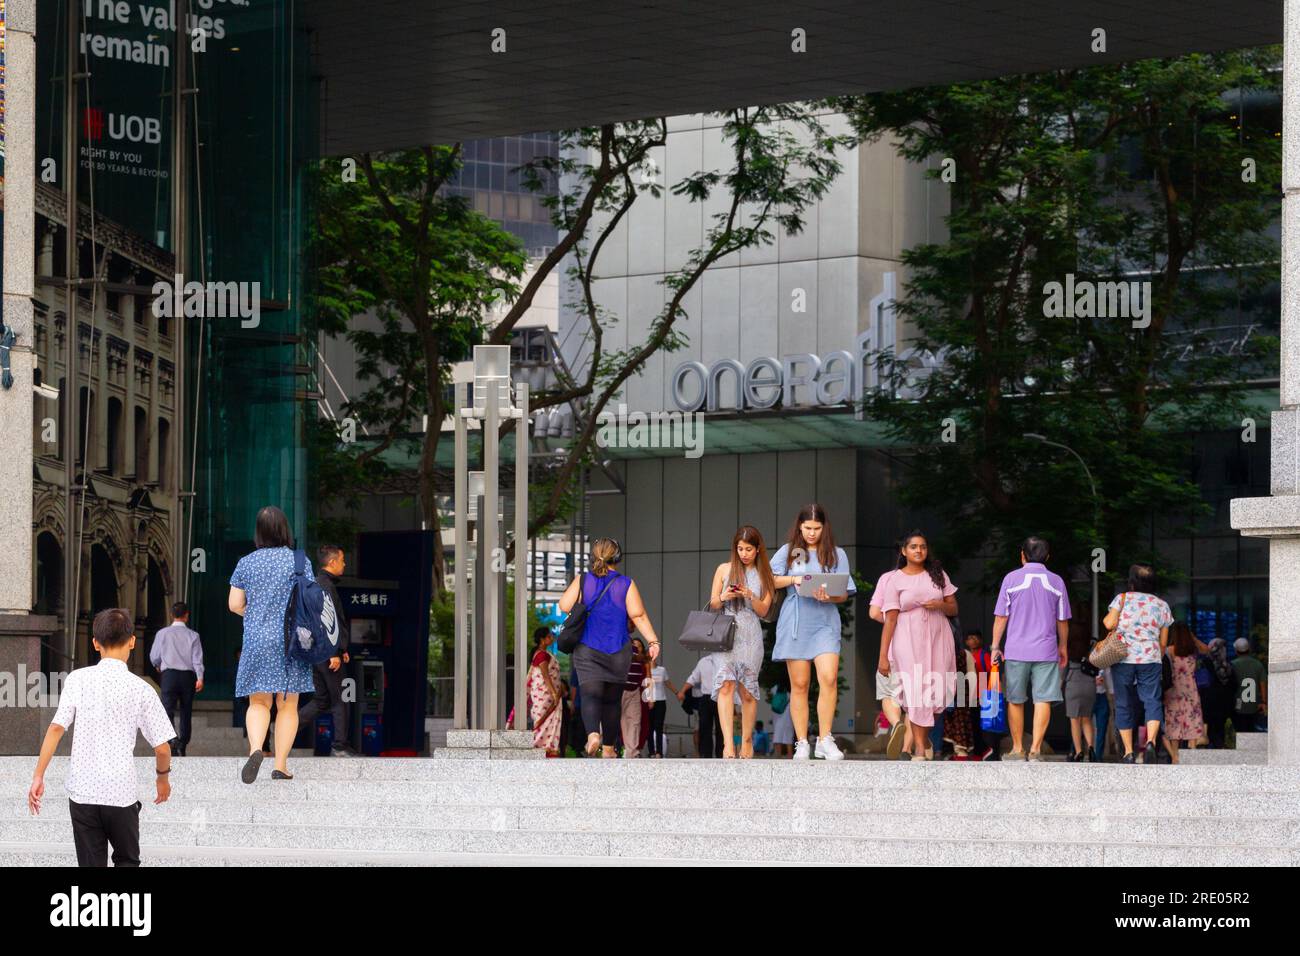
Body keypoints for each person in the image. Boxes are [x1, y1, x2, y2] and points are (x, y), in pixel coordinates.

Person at [28, 609, 177, 867]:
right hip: (121, 793)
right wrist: (162, 778)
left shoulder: (77, 679)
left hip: (83, 792)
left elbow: (55, 728)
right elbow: (162, 748)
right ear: (132, 641)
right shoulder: (142, 689)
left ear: (95, 643)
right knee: (127, 861)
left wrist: (38, 775)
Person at [229, 505, 317, 782]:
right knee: (288, 704)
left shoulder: (246, 562)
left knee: (258, 701)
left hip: (256, 640)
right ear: (285, 530)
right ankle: (280, 765)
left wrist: (255, 615)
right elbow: (312, 604)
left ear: (259, 532)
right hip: (292, 641)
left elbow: (234, 605)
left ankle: (256, 749)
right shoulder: (300, 562)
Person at [558, 537, 661, 758]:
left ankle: (593, 734)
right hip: (617, 650)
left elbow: (564, 605)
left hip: (587, 648)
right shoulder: (625, 583)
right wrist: (653, 641)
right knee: (612, 701)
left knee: (590, 695)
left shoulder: (583, 580)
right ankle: (608, 749)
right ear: (618, 557)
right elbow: (638, 615)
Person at [771, 503, 856, 761]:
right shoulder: (790, 551)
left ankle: (825, 739)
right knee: (799, 684)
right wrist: (796, 579)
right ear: (799, 526)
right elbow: (771, 579)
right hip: (796, 619)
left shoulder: (836, 553)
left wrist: (829, 595)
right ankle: (801, 742)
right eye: (807, 528)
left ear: (824, 528)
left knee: (829, 678)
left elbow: (844, 592)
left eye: (816, 528)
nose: (811, 533)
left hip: (824, 620)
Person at [877, 530, 957, 760]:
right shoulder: (895, 579)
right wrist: (884, 655)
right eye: (913, 547)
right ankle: (920, 748)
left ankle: (923, 738)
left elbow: (954, 608)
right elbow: (890, 618)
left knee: (936, 691)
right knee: (916, 691)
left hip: (937, 636)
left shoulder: (938, 574)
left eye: (922, 546)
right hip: (906, 638)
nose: (919, 550)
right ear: (904, 551)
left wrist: (940, 605)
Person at [990, 536, 1070, 761]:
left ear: (1022, 555)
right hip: (1046, 650)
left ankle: (1017, 748)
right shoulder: (1056, 582)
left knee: (1015, 698)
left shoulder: (1011, 579)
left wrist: (995, 646)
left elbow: (1001, 616)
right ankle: (1035, 749)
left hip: (1016, 650)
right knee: (1043, 699)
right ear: (1047, 556)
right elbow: (1062, 620)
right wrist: (1062, 646)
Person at [706, 526, 775, 758]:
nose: (744, 553)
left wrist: (749, 595)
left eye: (748, 549)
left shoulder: (765, 574)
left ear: (757, 550)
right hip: (726, 633)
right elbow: (713, 604)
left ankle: (746, 741)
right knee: (725, 685)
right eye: (740, 548)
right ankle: (727, 744)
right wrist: (725, 596)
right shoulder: (724, 569)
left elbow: (765, 610)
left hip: (750, 635)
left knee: (747, 691)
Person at [1102, 564, 1173, 765]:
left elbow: (1108, 624)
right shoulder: (1162, 605)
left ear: (1131, 582)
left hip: (1123, 657)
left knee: (1123, 703)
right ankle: (1150, 742)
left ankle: (1128, 752)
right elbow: (1164, 642)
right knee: (1152, 700)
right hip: (1150, 658)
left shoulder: (1122, 599)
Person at [297, 544, 352, 756]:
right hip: (327, 654)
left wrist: (342, 648)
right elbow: (327, 622)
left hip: (317, 653)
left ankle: (288, 727)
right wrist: (335, 651)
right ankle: (339, 746)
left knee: (322, 700)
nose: (345, 564)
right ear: (332, 562)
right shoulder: (325, 587)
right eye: (342, 560)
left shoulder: (315, 585)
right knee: (340, 699)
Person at [149, 600, 204, 757]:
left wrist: (158, 665)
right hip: (188, 676)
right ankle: (183, 743)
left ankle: (171, 739)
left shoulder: (163, 633)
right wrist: (200, 677)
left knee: (167, 709)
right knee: (186, 710)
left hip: (169, 675)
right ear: (187, 616)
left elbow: (154, 656)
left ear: (171, 615)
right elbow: (197, 660)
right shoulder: (193, 636)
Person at [870, 563, 910, 759]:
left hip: (894, 647)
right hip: (920, 650)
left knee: (888, 694)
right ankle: (907, 750)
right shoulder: (931, 577)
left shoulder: (887, 578)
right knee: (915, 702)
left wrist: (893, 623)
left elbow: (874, 612)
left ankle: (896, 724)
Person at [1162, 622, 1210, 764]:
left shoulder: (1169, 650)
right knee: (1192, 719)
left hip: (1174, 690)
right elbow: (1207, 649)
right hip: (1191, 689)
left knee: (1174, 721)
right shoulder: (1193, 650)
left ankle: (1175, 756)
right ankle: (1192, 751)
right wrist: (1193, 638)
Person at [1062, 620, 1097, 761]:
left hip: (1073, 684)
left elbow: (1062, 672)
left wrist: (1060, 686)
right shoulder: (1092, 646)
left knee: (1074, 720)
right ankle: (1091, 748)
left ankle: (1078, 752)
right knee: (1087, 719)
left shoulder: (1068, 648)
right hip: (1089, 684)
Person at [680, 654, 724, 757]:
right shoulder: (703, 661)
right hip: (706, 697)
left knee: (721, 728)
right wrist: (682, 690)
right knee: (704, 728)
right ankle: (706, 754)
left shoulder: (725, 660)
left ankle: (721, 754)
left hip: (721, 697)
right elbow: (693, 677)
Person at [528, 628, 563, 756]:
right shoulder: (541, 655)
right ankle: (538, 746)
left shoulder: (545, 653)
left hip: (548, 693)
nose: (551, 639)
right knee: (542, 720)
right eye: (549, 637)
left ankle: (549, 748)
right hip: (544, 695)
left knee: (548, 721)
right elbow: (545, 675)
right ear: (542, 640)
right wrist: (554, 693)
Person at [965, 629, 997, 760]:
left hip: (981, 696)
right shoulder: (965, 655)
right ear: (966, 642)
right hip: (967, 696)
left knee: (982, 725)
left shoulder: (984, 656)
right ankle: (977, 751)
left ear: (981, 640)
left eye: (976, 637)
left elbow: (991, 675)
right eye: (970, 638)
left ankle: (984, 750)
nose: (973, 640)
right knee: (971, 724)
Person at [1197, 638, 1234, 748]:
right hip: (1222, 703)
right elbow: (1232, 685)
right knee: (1219, 729)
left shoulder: (1203, 663)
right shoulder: (1228, 665)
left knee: (1206, 726)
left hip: (1206, 701)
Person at [621, 637, 651, 757]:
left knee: (635, 721)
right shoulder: (624, 648)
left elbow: (648, 679)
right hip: (620, 689)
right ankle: (600, 746)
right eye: (635, 645)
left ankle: (632, 752)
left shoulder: (644, 661)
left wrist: (650, 697)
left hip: (636, 691)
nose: (637, 648)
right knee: (617, 720)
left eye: (639, 646)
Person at [1230, 638, 1267, 734]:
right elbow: (1262, 683)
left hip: (1238, 705)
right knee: (1252, 732)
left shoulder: (1233, 664)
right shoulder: (1258, 664)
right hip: (1254, 706)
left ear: (1236, 651)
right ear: (1249, 649)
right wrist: (1263, 701)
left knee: (1240, 733)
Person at [647, 659, 676, 757]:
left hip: (660, 700)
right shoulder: (645, 669)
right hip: (648, 701)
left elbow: (667, 682)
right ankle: (651, 752)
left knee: (658, 726)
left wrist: (676, 692)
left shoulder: (662, 670)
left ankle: (659, 752)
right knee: (649, 728)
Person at [770, 684, 794, 757]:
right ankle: (790, 755)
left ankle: (778, 755)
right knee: (788, 738)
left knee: (777, 737)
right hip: (788, 720)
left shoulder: (775, 691)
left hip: (777, 719)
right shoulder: (790, 695)